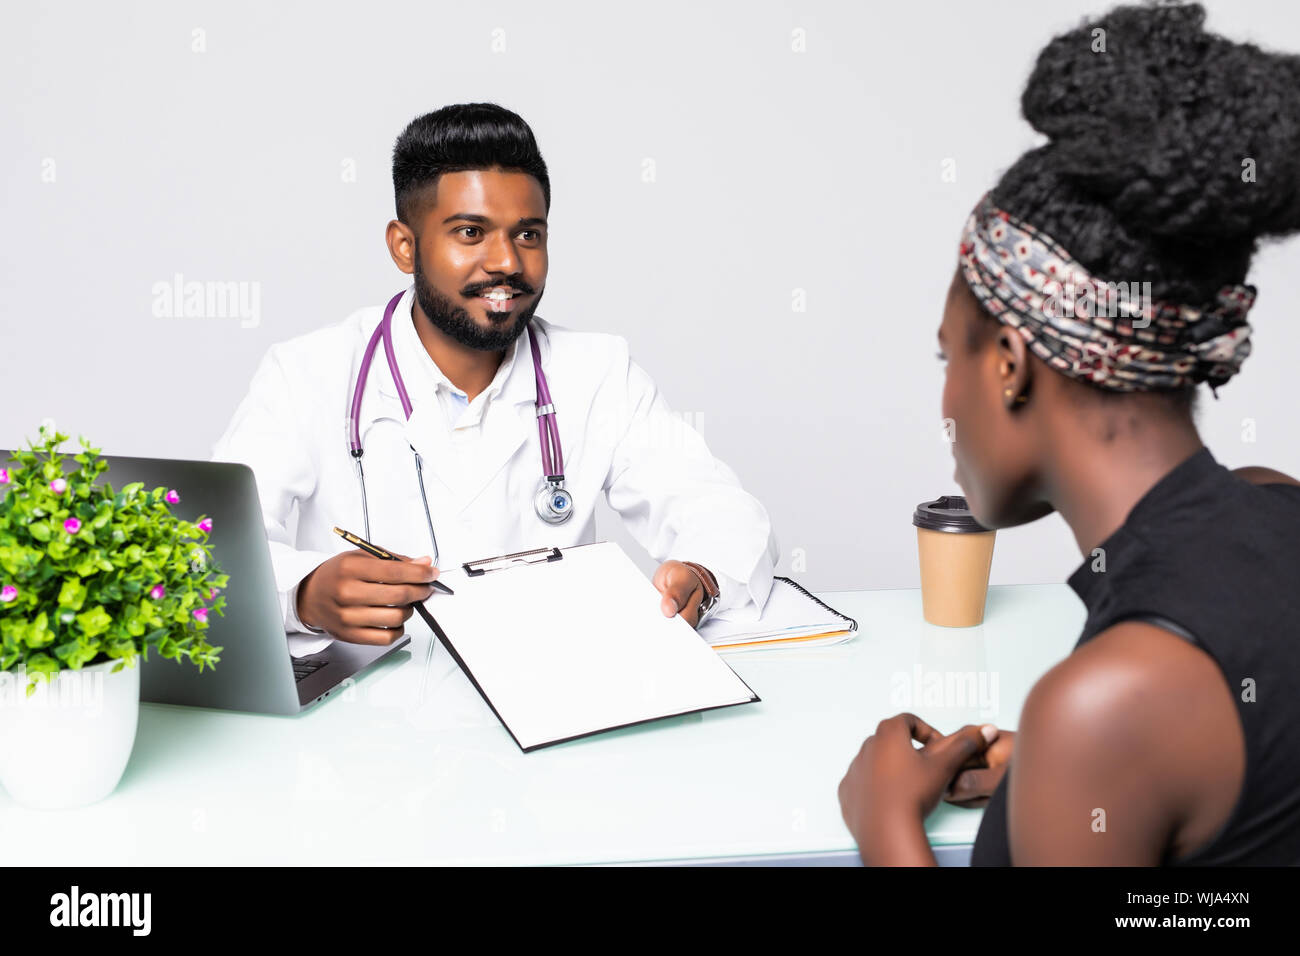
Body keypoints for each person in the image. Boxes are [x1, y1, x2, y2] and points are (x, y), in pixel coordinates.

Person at [839, 2, 1300, 865]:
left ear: (1009, 362)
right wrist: (1066, 778)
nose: (944, 399)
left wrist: (886, 827)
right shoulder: (1280, 504)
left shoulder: (1102, 706)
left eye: (950, 356)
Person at [214, 103, 777, 655]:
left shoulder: (597, 372)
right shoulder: (307, 374)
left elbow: (719, 509)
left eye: (528, 234)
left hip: (549, 700)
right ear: (404, 246)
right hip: (369, 717)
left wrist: (702, 575)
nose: (506, 261)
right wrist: (303, 593)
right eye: (470, 233)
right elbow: (209, 547)